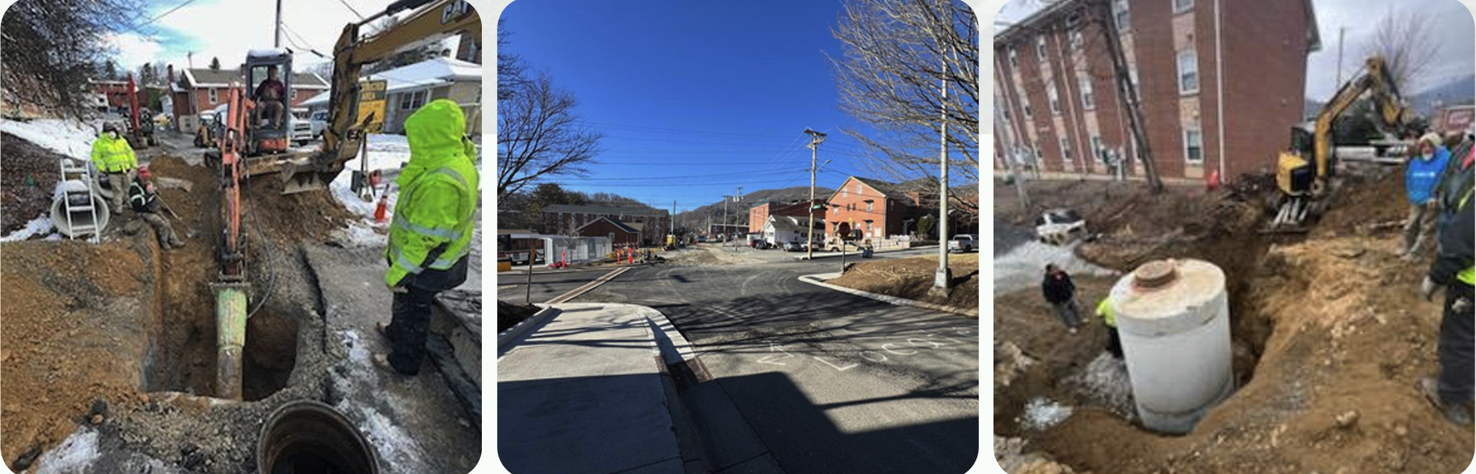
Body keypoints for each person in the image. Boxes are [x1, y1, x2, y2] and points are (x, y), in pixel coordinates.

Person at [373, 99, 480, 376]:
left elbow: (428, 240)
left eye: (418, 137)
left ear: (432, 137)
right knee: (404, 303)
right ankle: (395, 332)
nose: (413, 143)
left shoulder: (441, 182)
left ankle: (404, 363)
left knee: (414, 313)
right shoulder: (452, 162)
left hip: (428, 265)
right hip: (433, 260)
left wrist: (400, 272)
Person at [1419, 164, 1474, 426]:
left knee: (1460, 340)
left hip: (1469, 285)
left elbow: (1465, 241)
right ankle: (1468, 383)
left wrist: (1436, 277)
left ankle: (1451, 396)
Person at [1402, 133, 1452, 259]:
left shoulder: (1446, 159)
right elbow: (1409, 177)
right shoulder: (1416, 160)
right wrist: (1411, 193)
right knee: (1410, 225)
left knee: (1427, 227)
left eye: (1430, 145)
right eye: (1423, 145)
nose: (1426, 148)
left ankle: (1416, 254)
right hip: (1416, 198)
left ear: (1436, 145)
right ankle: (1407, 247)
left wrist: (1436, 195)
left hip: (1433, 200)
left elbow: (1445, 179)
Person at [127, 166, 185, 250]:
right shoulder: (134, 188)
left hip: (152, 209)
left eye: (147, 177)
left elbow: (155, 195)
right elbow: (137, 203)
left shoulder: (146, 183)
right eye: (145, 177)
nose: (146, 179)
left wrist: (155, 191)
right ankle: (164, 242)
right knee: (162, 224)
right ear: (139, 176)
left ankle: (174, 241)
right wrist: (149, 194)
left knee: (167, 222)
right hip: (143, 212)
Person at [90, 123, 137, 216]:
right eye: (108, 131)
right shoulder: (100, 143)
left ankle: (129, 203)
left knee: (128, 188)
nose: (111, 133)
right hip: (113, 172)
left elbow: (129, 153)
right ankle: (118, 207)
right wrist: (102, 168)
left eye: (112, 131)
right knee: (117, 190)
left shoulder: (121, 141)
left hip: (125, 169)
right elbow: (95, 157)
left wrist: (133, 164)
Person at [1042, 264, 1082, 334]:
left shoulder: (1063, 273)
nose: (1058, 269)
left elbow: (1069, 282)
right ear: (1050, 271)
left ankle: (1079, 320)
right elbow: (1047, 295)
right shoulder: (1047, 282)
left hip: (1069, 296)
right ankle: (1071, 327)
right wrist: (1056, 302)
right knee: (1065, 315)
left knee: (1075, 308)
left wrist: (1074, 290)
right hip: (1059, 302)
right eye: (1055, 268)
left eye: (1057, 267)